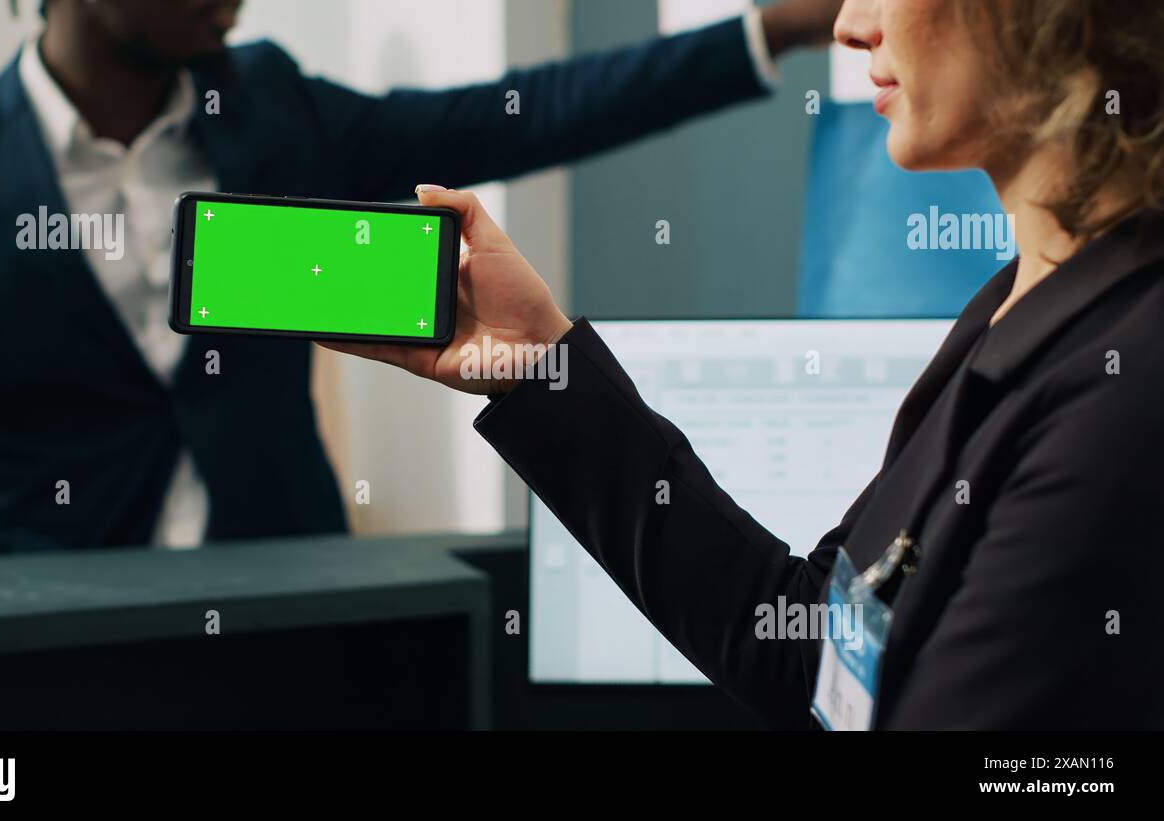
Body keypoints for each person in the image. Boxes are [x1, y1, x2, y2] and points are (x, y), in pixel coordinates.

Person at [325, 0, 1164, 729]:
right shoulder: (1014, 302)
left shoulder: (1127, 389)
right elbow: (810, 652)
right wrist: (538, 368)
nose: (850, 24)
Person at [0, 0, 843, 560]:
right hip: (65, 654)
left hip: (301, 612)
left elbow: (520, 112)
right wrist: (58, 589)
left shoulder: (270, 105)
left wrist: (771, 29)